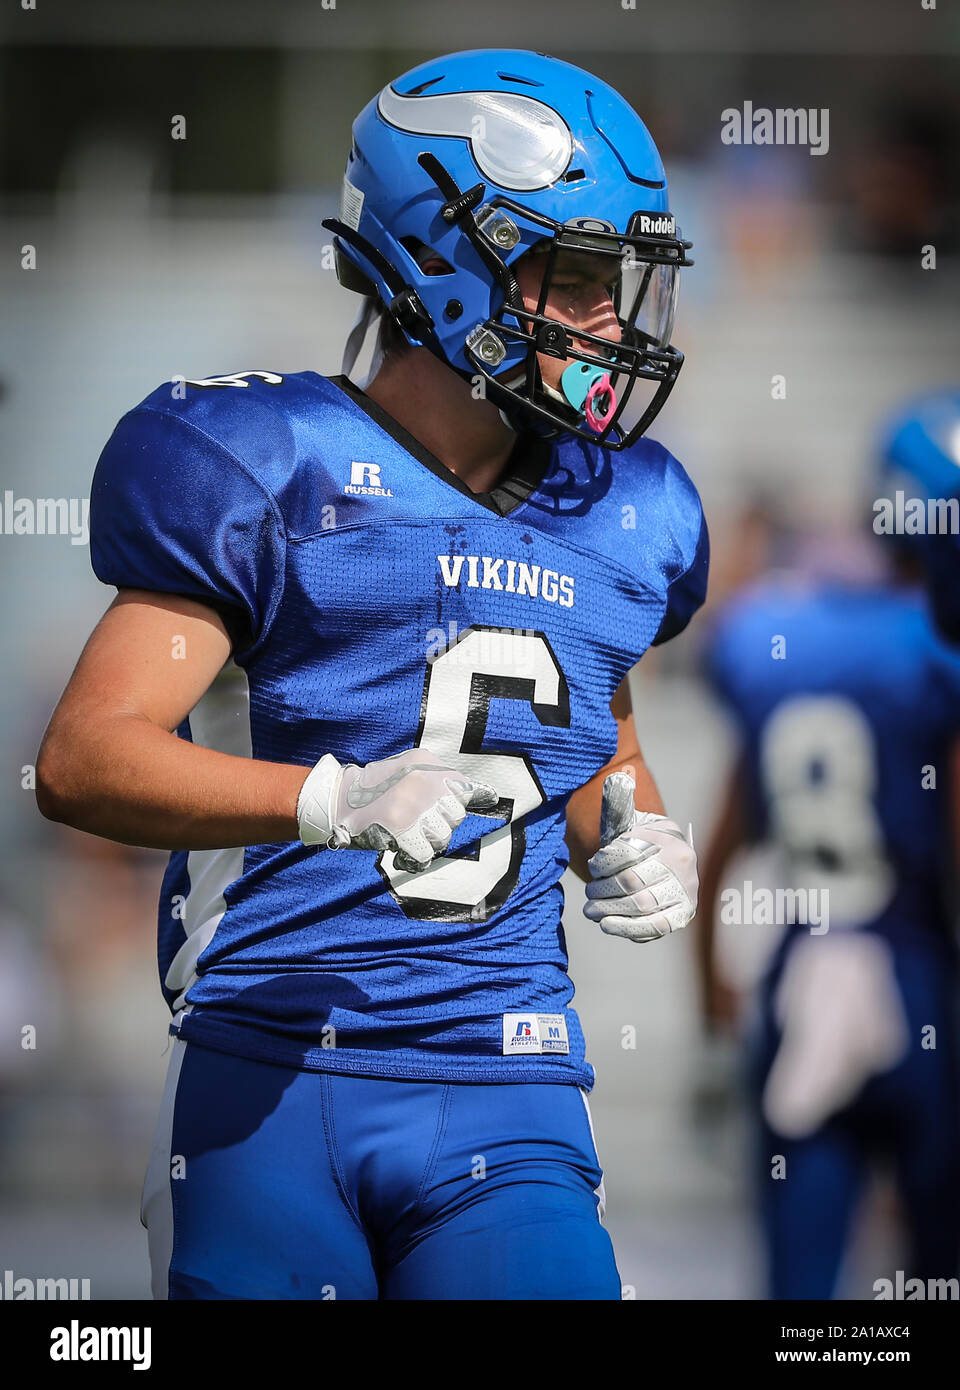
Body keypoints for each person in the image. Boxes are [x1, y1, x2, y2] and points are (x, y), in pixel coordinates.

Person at [35, 48, 707, 1300]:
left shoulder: (634, 510)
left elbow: (600, 727)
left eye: (621, 285)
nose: (613, 324)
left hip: (513, 1081)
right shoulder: (264, 459)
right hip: (271, 1074)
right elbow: (82, 758)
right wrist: (327, 802)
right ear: (445, 265)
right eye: (573, 279)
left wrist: (637, 820)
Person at [695, 526, 960, 1300]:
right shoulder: (925, 654)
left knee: (801, 1293)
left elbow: (720, 856)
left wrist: (711, 999)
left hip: (801, 985)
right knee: (938, 1273)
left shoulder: (777, 649)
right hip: (913, 982)